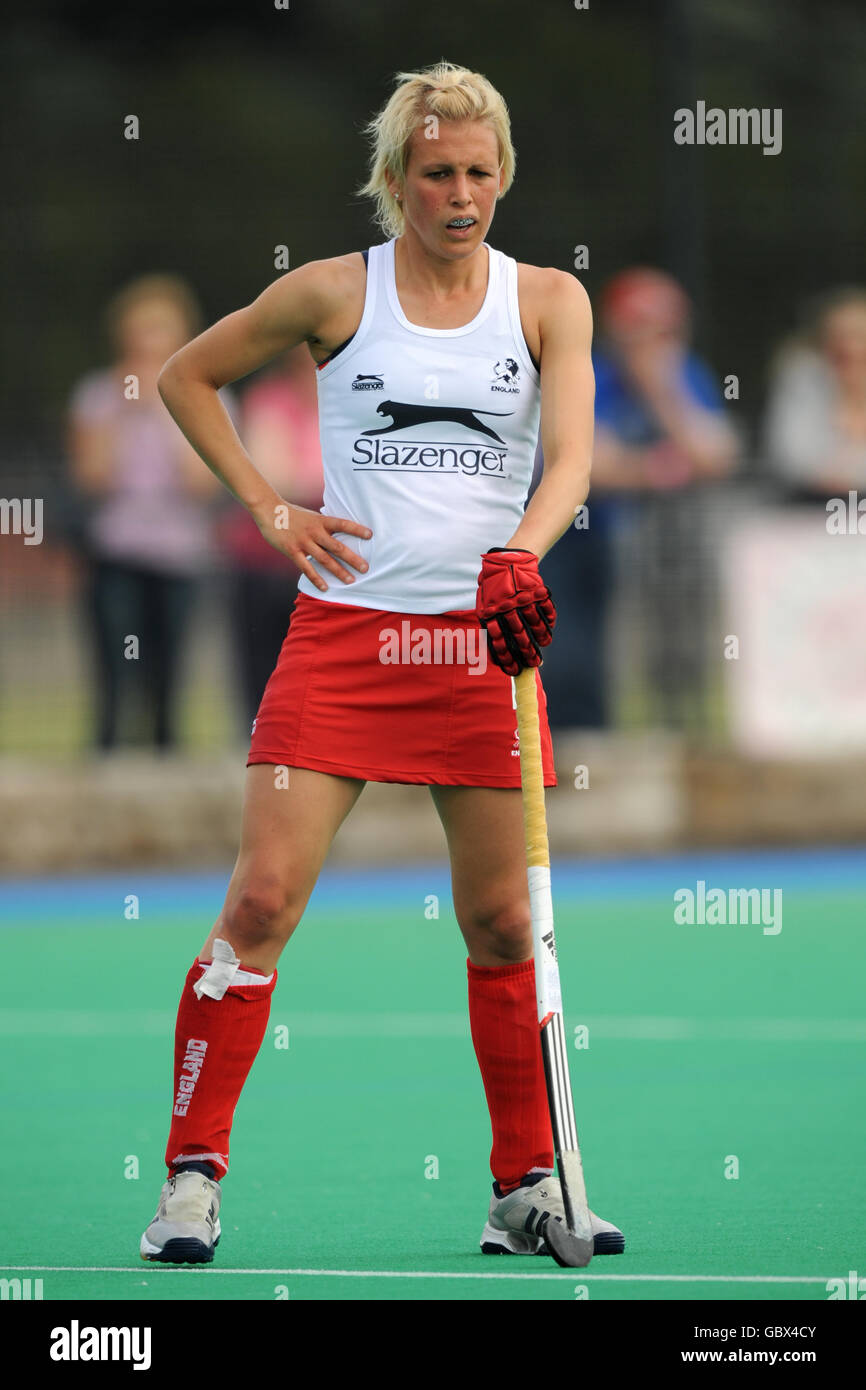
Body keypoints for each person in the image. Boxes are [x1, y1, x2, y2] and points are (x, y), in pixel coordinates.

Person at [139, 61, 624, 1264]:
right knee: (260, 901)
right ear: (395, 179)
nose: (459, 194)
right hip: (343, 640)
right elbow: (185, 376)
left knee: (503, 922)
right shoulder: (330, 292)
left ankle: (524, 1187)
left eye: (478, 173)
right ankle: (190, 1179)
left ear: (502, 176)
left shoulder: (547, 300)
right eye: (435, 173)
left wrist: (517, 554)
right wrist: (268, 506)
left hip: (480, 647)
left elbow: (569, 460)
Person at [540, 268, 738, 731]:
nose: (656, 345)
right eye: (644, 331)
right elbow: (589, 467)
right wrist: (660, 468)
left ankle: (681, 729)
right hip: (581, 539)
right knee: (575, 653)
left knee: (682, 644)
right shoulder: (591, 375)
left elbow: (716, 456)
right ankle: (582, 737)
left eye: (666, 332)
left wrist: (661, 392)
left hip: (667, 543)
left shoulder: (686, 376)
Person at [67, 274, 224, 750]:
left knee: (169, 679)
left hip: (179, 556)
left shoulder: (210, 397)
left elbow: (202, 484)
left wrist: (167, 407)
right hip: (116, 552)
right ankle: (106, 764)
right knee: (114, 675)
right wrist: (123, 410)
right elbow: (91, 478)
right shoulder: (97, 396)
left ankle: (166, 762)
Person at [218, 345, 325, 733]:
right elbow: (274, 477)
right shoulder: (269, 402)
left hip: (330, 566)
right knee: (262, 674)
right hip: (266, 563)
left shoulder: (355, 398)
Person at [763, 287, 866, 500]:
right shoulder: (803, 381)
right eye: (838, 337)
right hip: (811, 507)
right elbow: (791, 459)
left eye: (858, 336)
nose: (849, 347)